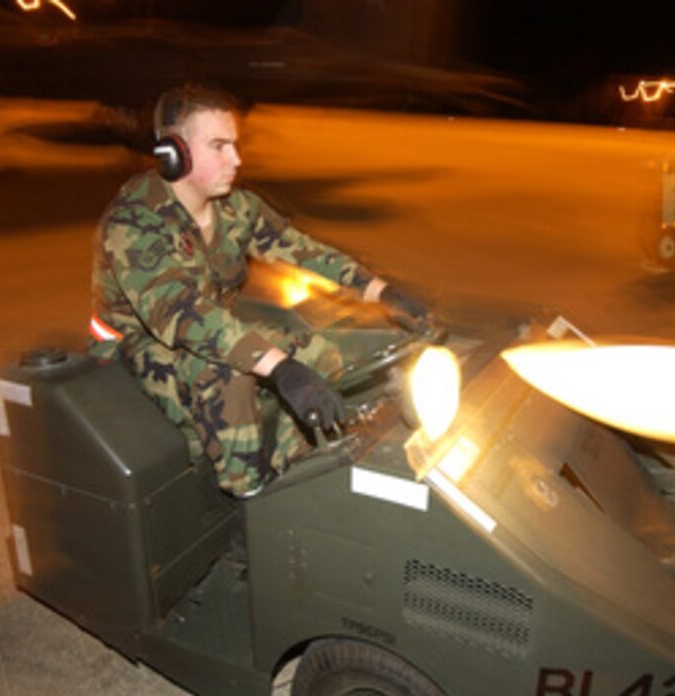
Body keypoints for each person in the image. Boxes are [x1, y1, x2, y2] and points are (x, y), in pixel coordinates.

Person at [89, 84, 428, 496]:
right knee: (229, 373)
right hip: (139, 347)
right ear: (174, 154)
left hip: (208, 326)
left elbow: (301, 250)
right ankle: (248, 501)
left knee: (319, 353)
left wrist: (380, 291)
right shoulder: (135, 221)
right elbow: (180, 313)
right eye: (219, 146)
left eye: (235, 144)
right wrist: (280, 368)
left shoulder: (234, 207)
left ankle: (292, 467)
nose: (236, 159)